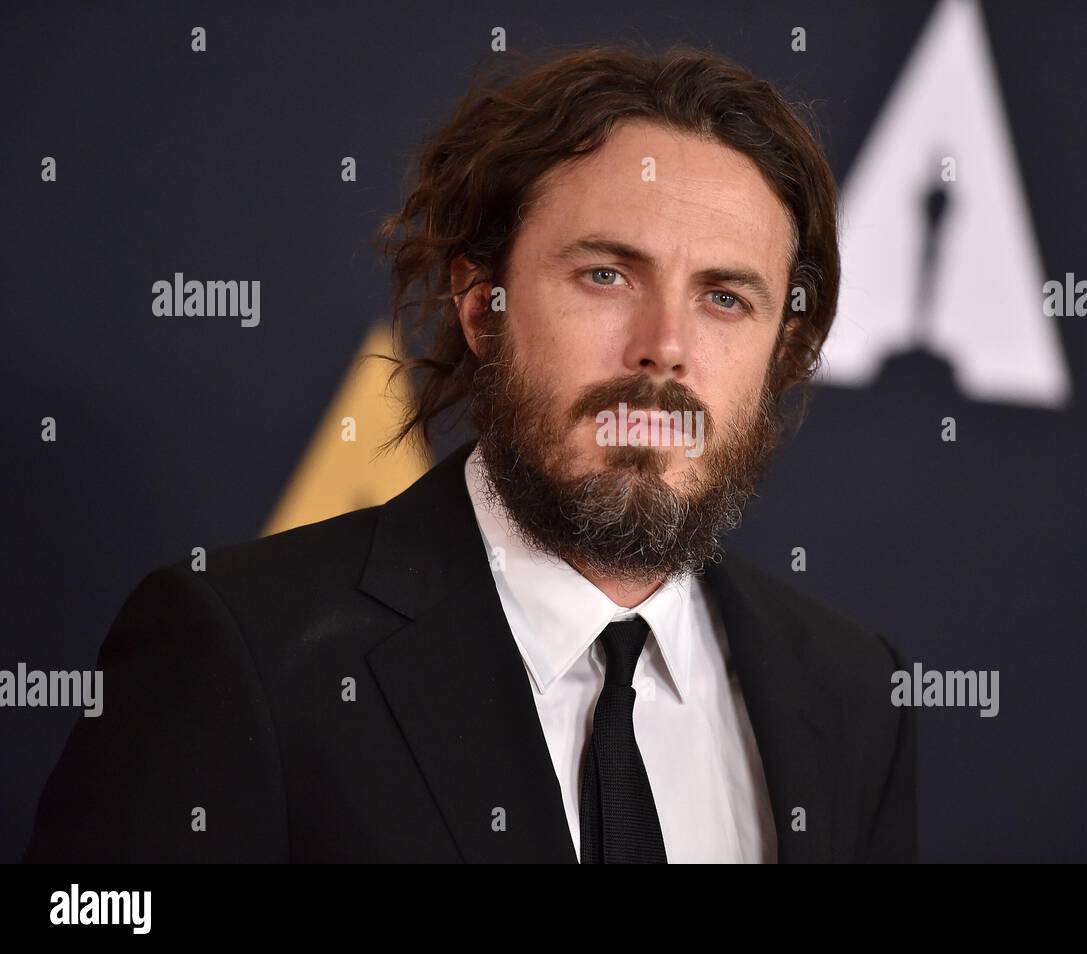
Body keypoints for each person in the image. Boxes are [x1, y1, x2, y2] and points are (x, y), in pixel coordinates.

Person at [24, 44, 915, 864]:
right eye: (606, 274)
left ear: (784, 352)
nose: (664, 348)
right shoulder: (243, 655)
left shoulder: (851, 693)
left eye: (725, 297)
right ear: (481, 305)